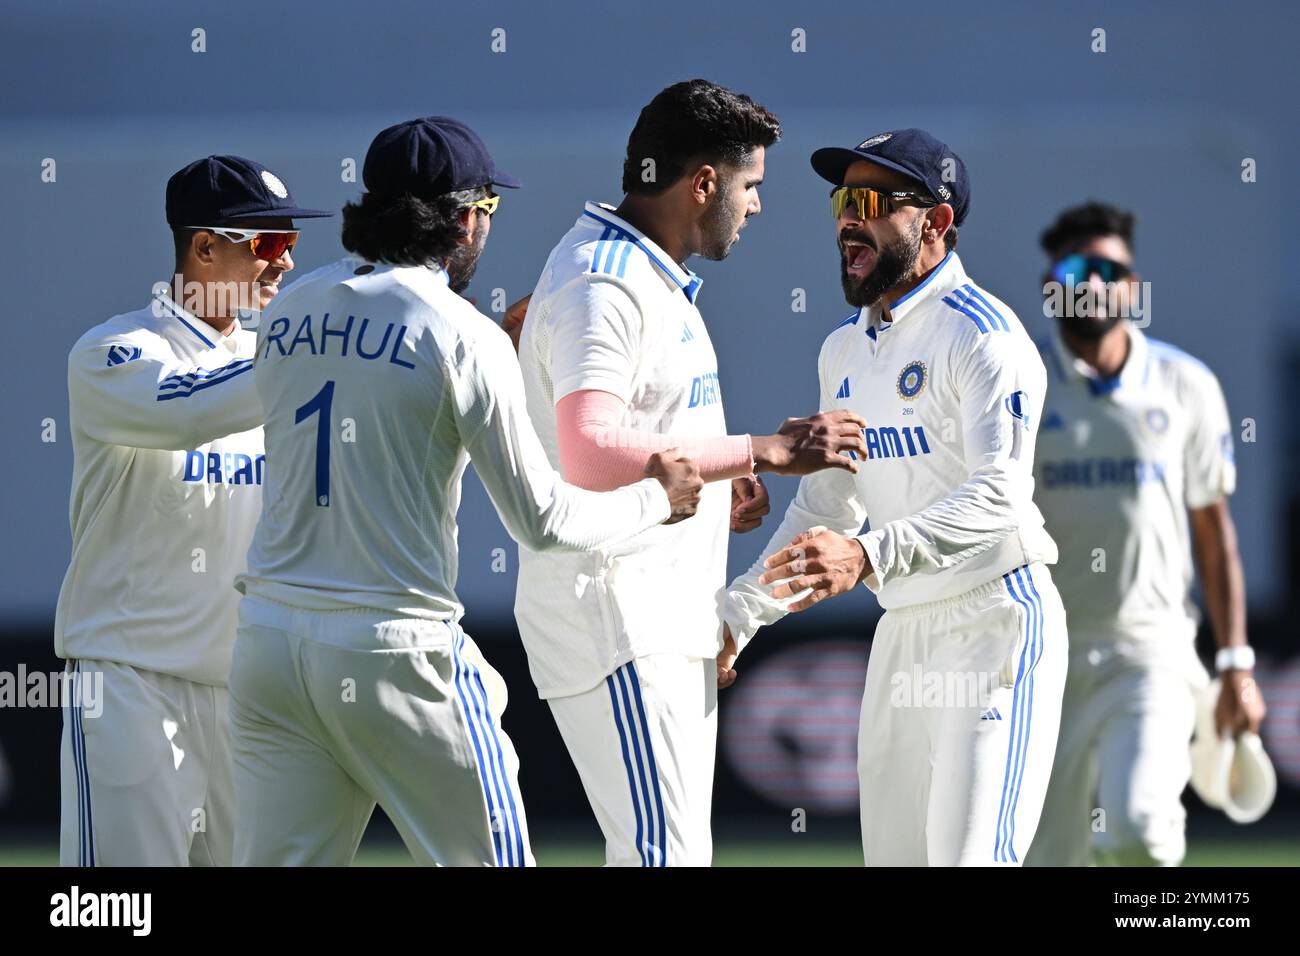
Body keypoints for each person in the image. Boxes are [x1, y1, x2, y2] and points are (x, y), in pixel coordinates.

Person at [229, 116, 704, 867]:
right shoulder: (462, 334)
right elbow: (543, 519)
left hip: (269, 645)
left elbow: (372, 367)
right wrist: (658, 496)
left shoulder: (290, 307)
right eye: (489, 208)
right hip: (396, 652)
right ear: (464, 216)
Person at [515, 79, 867, 866]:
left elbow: (649, 436)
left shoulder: (648, 273)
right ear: (703, 182)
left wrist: (718, 486)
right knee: (660, 857)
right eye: (752, 187)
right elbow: (591, 448)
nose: (758, 207)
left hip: (667, 619)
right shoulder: (604, 279)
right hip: (615, 619)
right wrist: (760, 451)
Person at [720, 129, 1067, 866]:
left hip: (995, 620)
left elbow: (1001, 495)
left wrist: (870, 553)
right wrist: (737, 614)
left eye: (872, 201)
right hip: (904, 632)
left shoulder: (986, 338)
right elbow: (826, 509)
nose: (849, 218)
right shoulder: (842, 349)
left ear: (934, 223)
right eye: (842, 200)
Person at [56, 155, 331, 865]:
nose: (285, 264)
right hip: (129, 685)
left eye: (292, 245)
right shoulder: (115, 352)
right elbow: (187, 410)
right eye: (266, 244)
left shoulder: (286, 358)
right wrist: (316, 348)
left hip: (250, 696)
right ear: (203, 248)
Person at [1024, 201, 1265, 866]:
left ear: (1133, 286)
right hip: (1046, 654)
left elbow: (1214, 533)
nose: (1093, 284)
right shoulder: (1020, 382)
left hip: (1150, 651)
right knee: (1049, 856)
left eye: (1110, 269)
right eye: (1077, 268)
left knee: (1138, 832)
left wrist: (1236, 663)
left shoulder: (1185, 384)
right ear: (1052, 283)